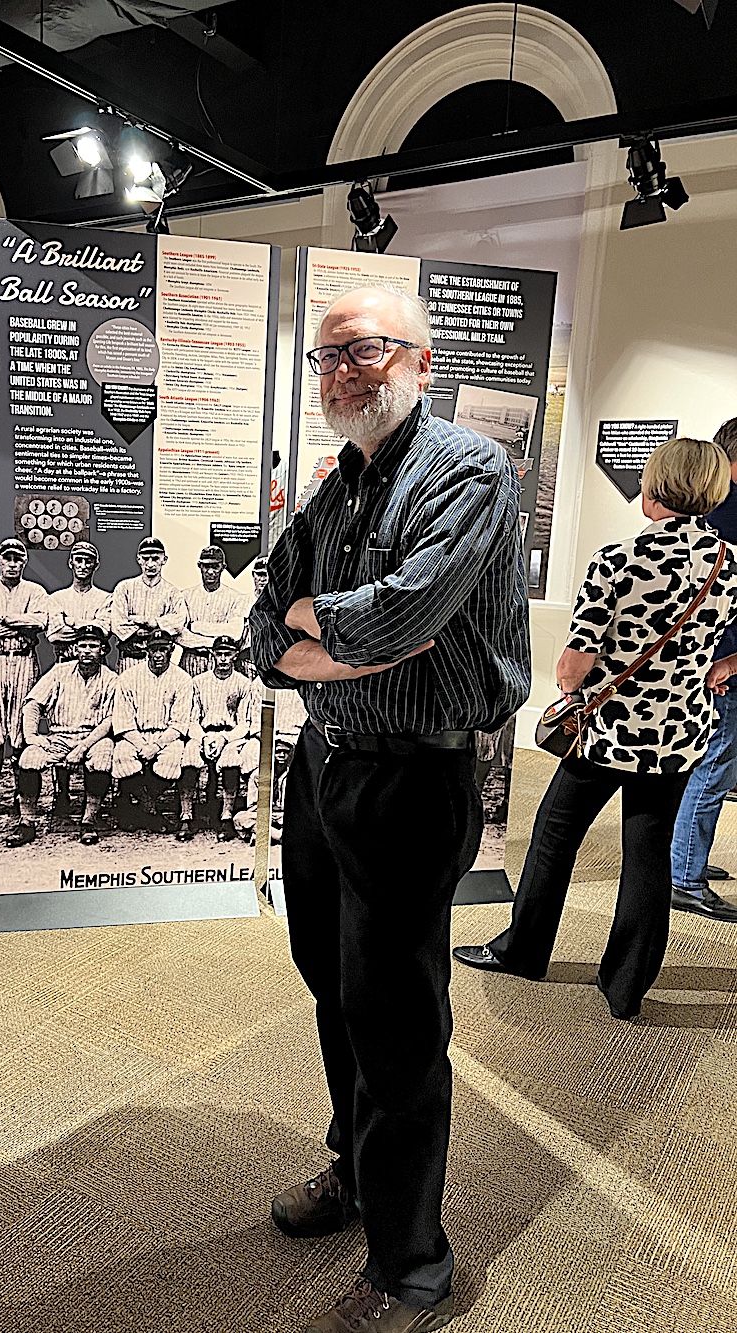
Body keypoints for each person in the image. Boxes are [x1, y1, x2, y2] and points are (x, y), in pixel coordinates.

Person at [250, 286, 529, 1333]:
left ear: (418, 355)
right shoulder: (336, 484)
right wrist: (323, 632)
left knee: (398, 1018)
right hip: (324, 767)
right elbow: (258, 625)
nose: (341, 373)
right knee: (330, 981)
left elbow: (409, 610)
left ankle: (413, 1265)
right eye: (326, 360)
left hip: (413, 778)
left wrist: (313, 626)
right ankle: (353, 1168)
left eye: (362, 350)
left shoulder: (465, 466)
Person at [456, 436, 737, 1023]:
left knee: (555, 837)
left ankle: (524, 951)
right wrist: (722, 666)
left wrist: (567, 683)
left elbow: (575, 665)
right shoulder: (727, 563)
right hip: (678, 735)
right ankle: (627, 984)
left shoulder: (619, 560)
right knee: (649, 854)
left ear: (654, 486)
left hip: (607, 733)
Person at [670, 417, 737, 920]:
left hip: (706, 660)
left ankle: (684, 859)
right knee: (714, 768)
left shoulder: (709, 513)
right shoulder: (730, 515)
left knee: (704, 764)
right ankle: (686, 878)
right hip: (725, 663)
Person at [9, 624, 116, 848]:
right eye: (82, 645)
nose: (87, 650)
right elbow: (32, 704)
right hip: (60, 735)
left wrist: (83, 747)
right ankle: (27, 822)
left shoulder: (111, 679)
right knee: (29, 758)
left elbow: (109, 722)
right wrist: (32, 736)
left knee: (103, 758)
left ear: (103, 650)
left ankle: (89, 820)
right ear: (75, 648)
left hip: (93, 738)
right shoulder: (59, 672)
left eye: (93, 646)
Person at [0, 537, 49, 817]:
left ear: (24, 562)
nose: (12, 563)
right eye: (7, 558)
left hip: (24, 658)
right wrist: (18, 622)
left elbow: (40, 622)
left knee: (21, 728)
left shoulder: (35, 590)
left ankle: (20, 794)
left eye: (17, 559)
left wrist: (4, 618)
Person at [111, 629, 193, 832]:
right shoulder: (129, 677)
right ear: (146, 650)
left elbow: (180, 723)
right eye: (153, 649)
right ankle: (150, 810)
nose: (158, 655)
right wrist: (141, 745)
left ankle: (140, 807)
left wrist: (156, 746)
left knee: (172, 761)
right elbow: (123, 720)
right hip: (134, 735)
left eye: (163, 649)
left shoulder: (182, 679)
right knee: (122, 758)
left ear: (171, 650)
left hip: (166, 737)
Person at [177, 635, 257, 841]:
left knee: (230, 760)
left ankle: (226, 817)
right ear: (213, 655)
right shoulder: (198, 682)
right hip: (202, 733)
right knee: (190, 757)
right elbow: (191, 719)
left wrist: (225, 739)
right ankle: (186, 816)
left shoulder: (243, 683)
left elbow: (244, 724)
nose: (223, 658)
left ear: (235, 656)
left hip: (230, 736)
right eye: (219, 654)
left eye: (227, 654)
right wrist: (202, 738)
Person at [110, 537, 186, 673]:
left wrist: (148, 621)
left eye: (155, 559)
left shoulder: (172, 592)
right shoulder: (124, 588)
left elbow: (178, 623)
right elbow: (117, 623)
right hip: (131, 657)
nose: (150, 564)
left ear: (164, 560)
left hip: (160, 661)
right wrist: (157, 627)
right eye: (146, 558)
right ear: (139, 559)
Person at [178, 545, 248, 675]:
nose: (210, 571)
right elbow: (180, 634)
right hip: (191, 660)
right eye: (206, 566)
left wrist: (197, 627)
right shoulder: (185, 596)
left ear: (223, 567)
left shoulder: (236, 598)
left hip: (220, 663)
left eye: (215, 566)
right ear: (200, 566)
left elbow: (235, 633)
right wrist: (213, 641)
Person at [45, 542, 112, 657]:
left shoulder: (106, 598)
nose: (83, 566)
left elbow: (103, 632)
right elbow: (54, 635)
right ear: (71, 563)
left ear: (96, 565)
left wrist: (71, 621)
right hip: (64, 662)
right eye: (79, 560)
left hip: (95, 663)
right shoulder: (56, 598)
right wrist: (91, 626)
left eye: (88, 561)